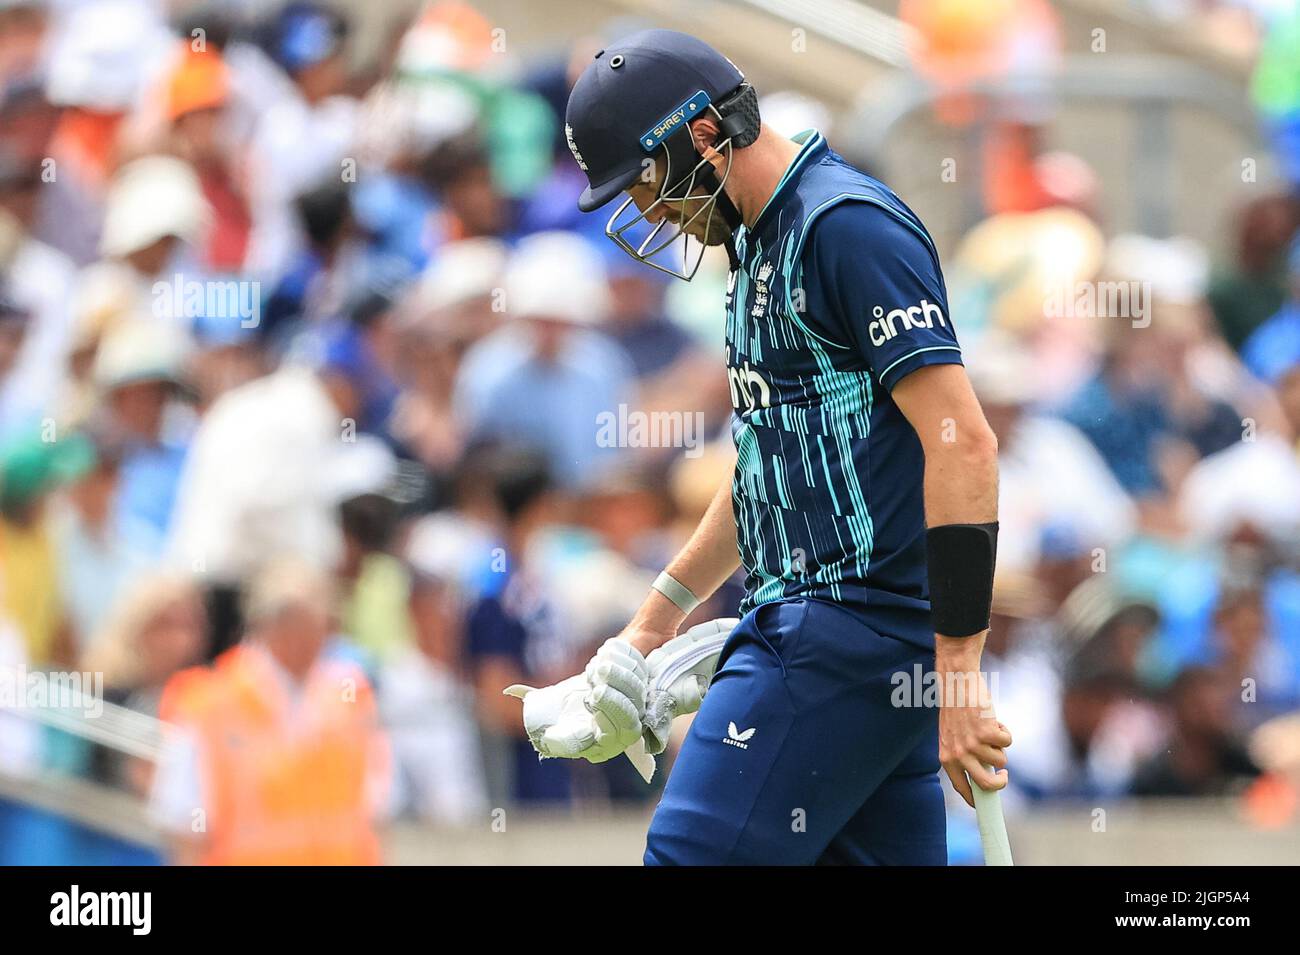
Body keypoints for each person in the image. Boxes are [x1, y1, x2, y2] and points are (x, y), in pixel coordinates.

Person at [511, 30, 1010, 865]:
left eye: (646, 180)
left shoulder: (844, 227)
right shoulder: (757, 241)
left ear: (704, 133)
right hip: (848, 645)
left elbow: (964, 444)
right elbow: (766, 467)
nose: (649, 210)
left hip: (840, 634)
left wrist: (958, 675)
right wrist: (649, 626)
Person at [151, 558, 389, 865]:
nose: (318, 636)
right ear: (273, 625)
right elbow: (185, 827)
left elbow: (374, 813)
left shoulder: (352, 697)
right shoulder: (209, 703)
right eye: (305, 622)